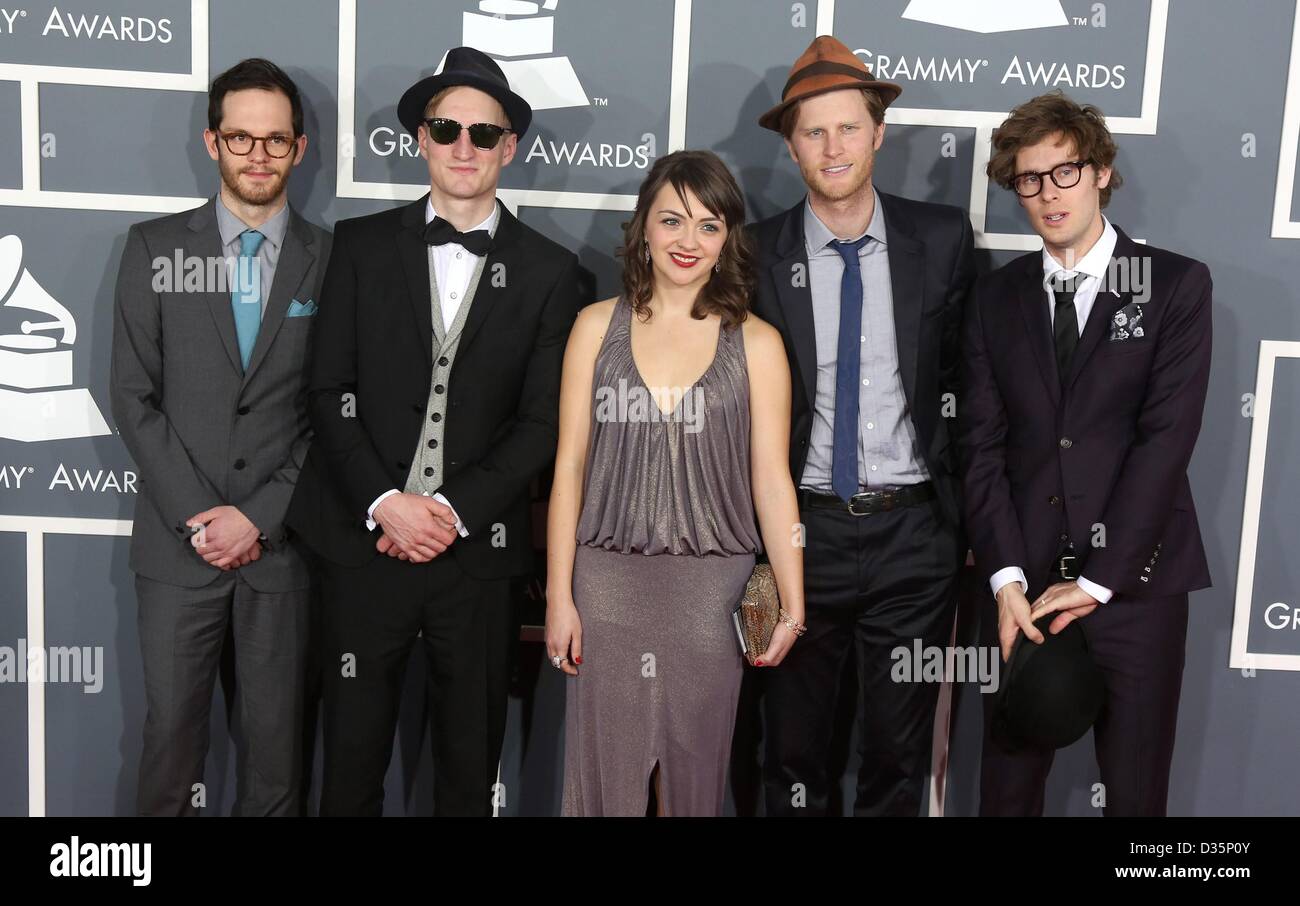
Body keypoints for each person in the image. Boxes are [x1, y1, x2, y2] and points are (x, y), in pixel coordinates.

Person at [285, 48, 583, 816]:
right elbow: (327, 390)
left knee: (467, 767)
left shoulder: (553, 273)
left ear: (508, 148)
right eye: (447, 128)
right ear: (421, 136)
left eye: (483, 135)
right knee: (347, 770)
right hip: (362, 550)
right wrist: (386, 501)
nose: (463, 147)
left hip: (475, 565)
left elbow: (541, 423)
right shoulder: (356, 246)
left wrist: (448, 512)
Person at [960, 90, 1212, 816]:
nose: (1047, 194)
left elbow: (1165, 442)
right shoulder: (994, 299)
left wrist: (1100, 581)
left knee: (1135, 801)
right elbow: (979, 443)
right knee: (1005, 798)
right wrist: (1006, 578)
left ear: (1101, 170)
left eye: (1064, 171)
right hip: (1023, 592)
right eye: (1029, 180)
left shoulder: (1173, 285)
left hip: (1136, 590)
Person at [749, 35, 975, 816]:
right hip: (798, 534)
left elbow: (962, 384)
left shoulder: (941, 239)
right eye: (813, 131)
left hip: (914, 536)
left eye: (849, 127)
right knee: (792, 754)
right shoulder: (754, 254)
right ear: (790, 145)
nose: (833, 146)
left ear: (879, 133)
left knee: (896, 758)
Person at [546, 150, 805, 816]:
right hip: (606, 586)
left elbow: (772, 481)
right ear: (643, 229)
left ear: (727, 240)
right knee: (604, 779)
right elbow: (569, 467)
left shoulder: (757, 345)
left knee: (694, 781)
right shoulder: (593, 328)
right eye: (672, 221)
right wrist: (559, 596)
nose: (689, 242)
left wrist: (793, 602)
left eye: (709, 225)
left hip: (710, 595)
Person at [110, 58, 330, 816]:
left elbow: (339, 413)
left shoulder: (334, 262)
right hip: (179, 552)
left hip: (284, 554)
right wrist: (203, 518)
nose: (258, 156)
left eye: (275, 140)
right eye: (241, 138)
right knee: (170, 748)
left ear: (299, 149)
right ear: (213, 142)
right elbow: (133, 397)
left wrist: (259, 517)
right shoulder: (152, 248)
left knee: (277, 763)